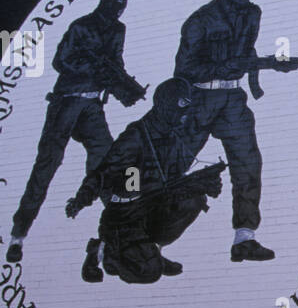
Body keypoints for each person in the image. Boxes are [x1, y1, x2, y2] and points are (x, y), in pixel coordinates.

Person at [172, 0, 298, 263]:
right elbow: (184, 70)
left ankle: (244, 237)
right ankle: (134, 230)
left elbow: (247, 55)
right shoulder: (200, 20)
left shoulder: (253, 14)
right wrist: (222, 67)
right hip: (200, 99)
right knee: (173, 162)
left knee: (247, 163)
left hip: (233, 99)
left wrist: (272, 64)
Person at [7, 0, 144, 263]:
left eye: (124, 1)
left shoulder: (119, 30)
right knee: (48, 163)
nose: (120, 6)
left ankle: (118, 236)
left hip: (92, 105)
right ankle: (18, 234)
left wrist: (124, 85)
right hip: (66, 101)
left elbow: (116, 62)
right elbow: (61, 61)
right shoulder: (82, 26)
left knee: (107, 165)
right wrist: (93, 67)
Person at [65, 79, 225, 284]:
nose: (184, 116)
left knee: (193, 200)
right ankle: (103, 250)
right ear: (165, 106)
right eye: (180, 109)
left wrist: (201, 183)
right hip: (125, 217)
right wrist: (81, 199)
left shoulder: (172, 138)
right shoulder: (135, 137)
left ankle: (150, 249)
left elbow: (172, 181)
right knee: (149, 273)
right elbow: (104, 172)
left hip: (151, 208)